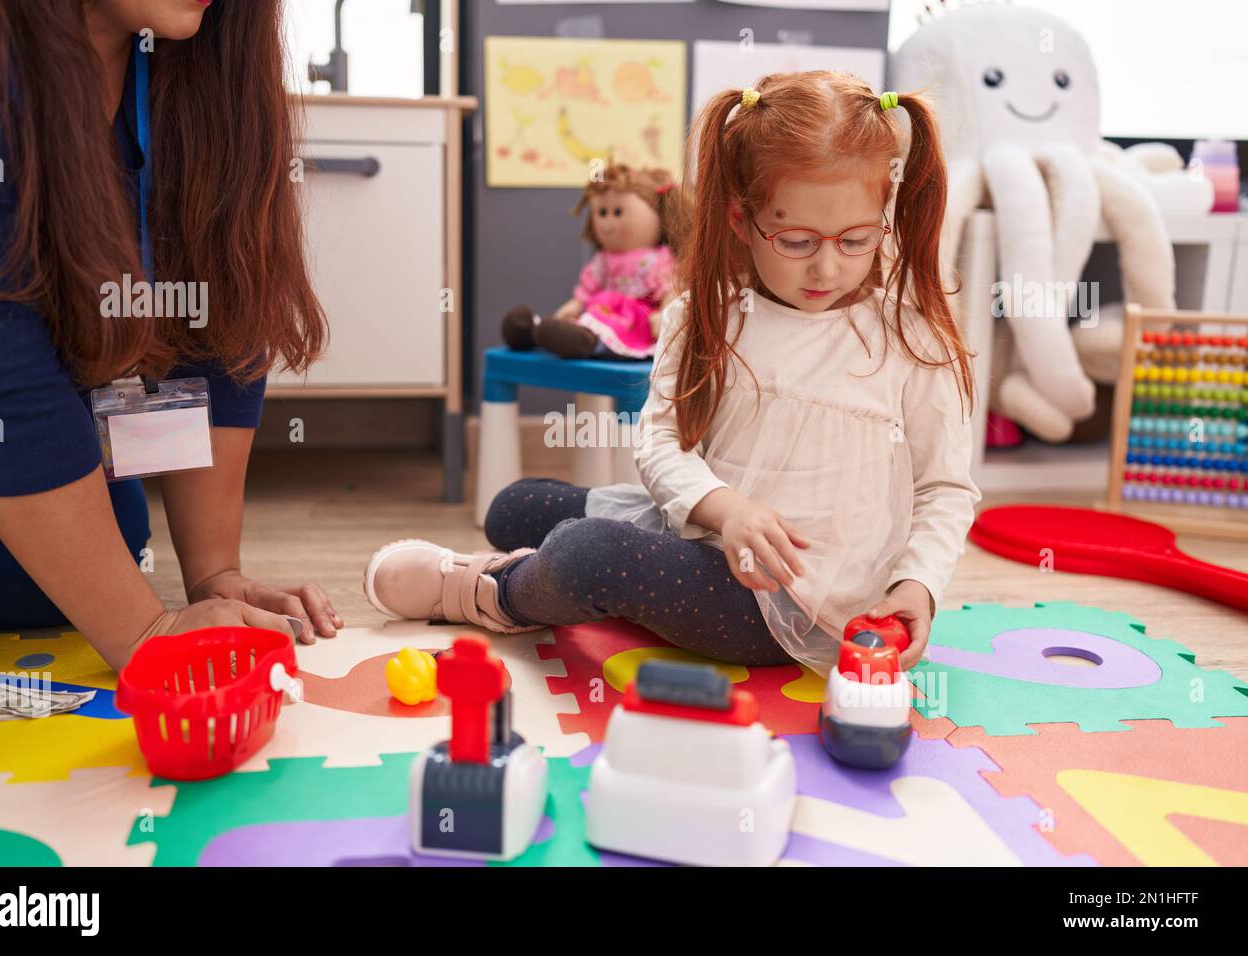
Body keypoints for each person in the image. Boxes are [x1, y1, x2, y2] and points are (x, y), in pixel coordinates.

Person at [362, 72, 980, 674]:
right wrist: (727, 510)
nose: (826, 268)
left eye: (855, 239)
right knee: (515, 505)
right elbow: (661, 443)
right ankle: (551, 565)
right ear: (743, 220)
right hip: (702, 534)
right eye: (796, 241)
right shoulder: (705, 315)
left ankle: (493, 592)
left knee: (587, 554)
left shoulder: (911, 336)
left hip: (782, 606)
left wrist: (918, 586)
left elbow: (944, 489)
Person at [0, 0, 337, 670]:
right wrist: (143, 634)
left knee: (105, 543)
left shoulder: (194, 67)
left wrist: (216, 575)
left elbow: (218, 321)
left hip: (2, 437)